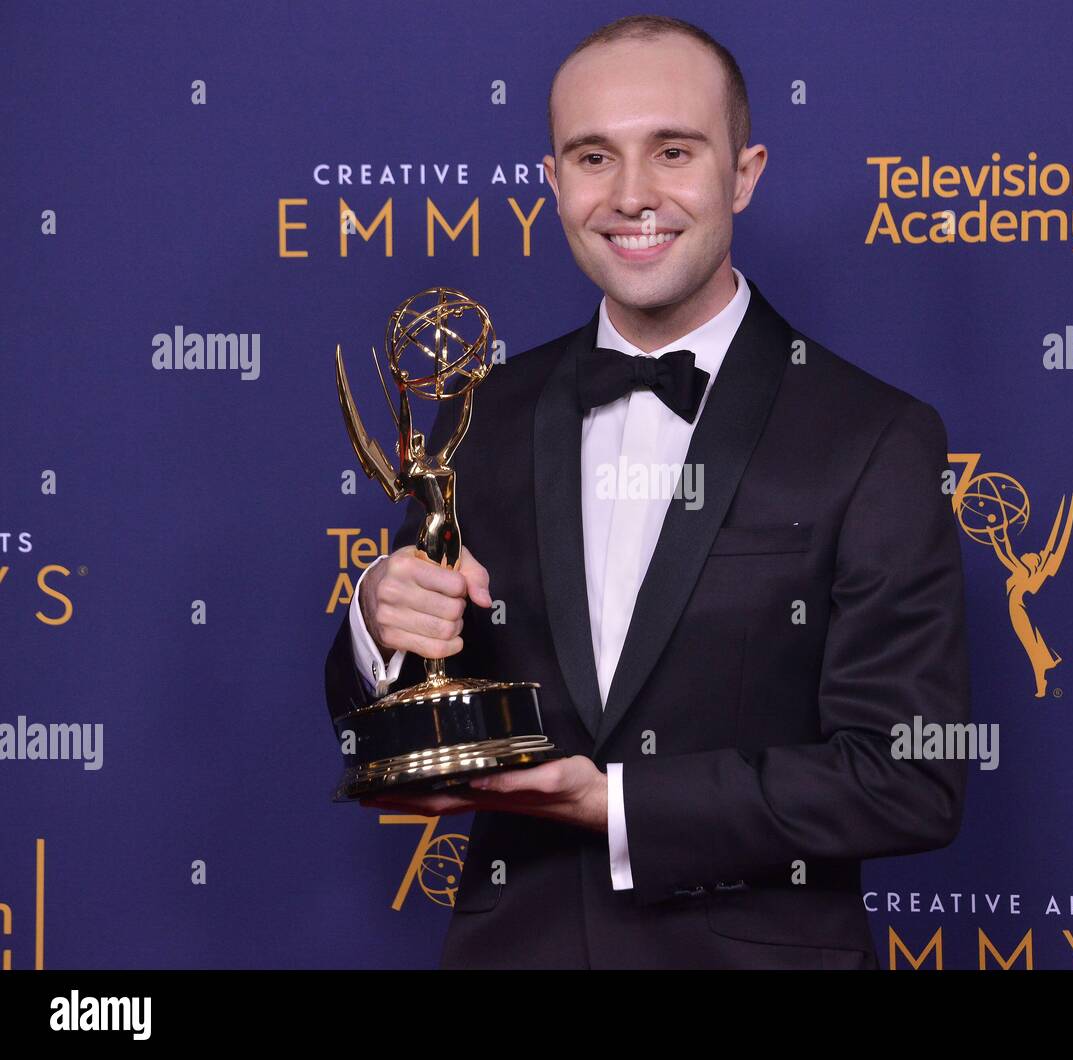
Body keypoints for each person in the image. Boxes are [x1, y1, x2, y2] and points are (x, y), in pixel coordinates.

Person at [323, 14, 971, 970]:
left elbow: (909, 778)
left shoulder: (873, 436)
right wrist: (381, 625)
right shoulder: (481, 415)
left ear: (744, 172)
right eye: (593, 157)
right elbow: (385, 733)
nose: (632, 196)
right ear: (551, 183)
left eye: (673, 150)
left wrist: (614, 803)